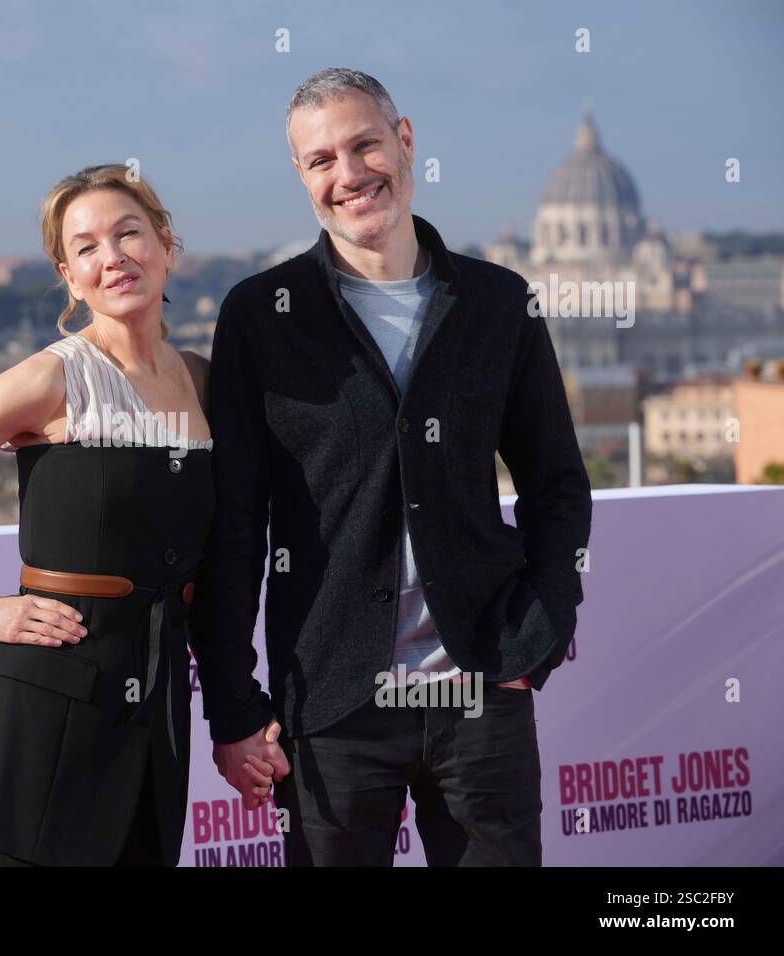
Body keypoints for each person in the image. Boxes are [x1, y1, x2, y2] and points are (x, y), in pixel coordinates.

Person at [189, 68, 593, 866]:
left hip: (481, 689)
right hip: (332, 702)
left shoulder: (499, 302)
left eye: (364, 144)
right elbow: (235, 525)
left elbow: (556, 484)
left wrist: (541, 635)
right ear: (302, 176)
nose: (349, 174)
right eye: (321, 160)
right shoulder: (261, 315)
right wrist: (233, 706)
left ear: (404, 142)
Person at [0, 164, 224, 866]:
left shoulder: (202, 379)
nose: (111, 257)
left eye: (128, 234)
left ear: (167, 246)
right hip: (48, 703)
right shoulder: (52, 378)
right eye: (86, 247)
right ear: (69, 275)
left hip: (157, 705)